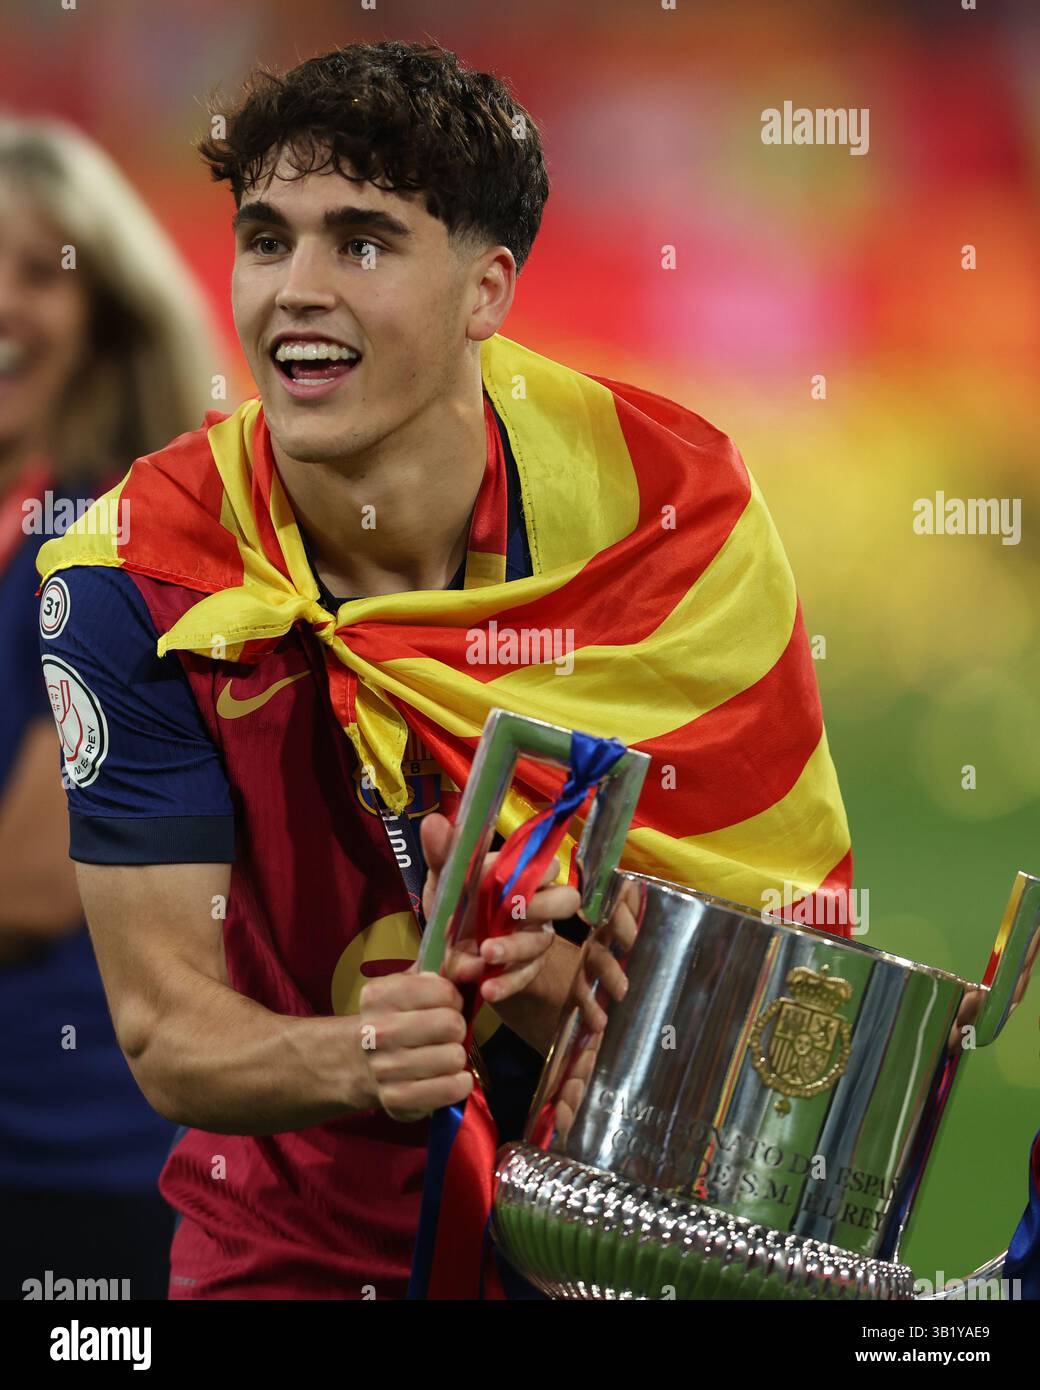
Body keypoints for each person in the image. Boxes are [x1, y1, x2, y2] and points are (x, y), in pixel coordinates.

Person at [35, 41, 854, 1300]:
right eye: (266, 239)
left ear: (486, 289)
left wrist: (593, 1001)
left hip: (626, 1250)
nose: (293, 291)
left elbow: (775, 1009)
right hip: (294, 1258)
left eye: (359, 244)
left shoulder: (667, 514)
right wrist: (354, 1055)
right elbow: (164, 1031)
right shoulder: (142, 579)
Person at [0, 115, 225, 1299]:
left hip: (74, 1169)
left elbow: (27, 888)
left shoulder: (109, 548)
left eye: (41, 271)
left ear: (106, 314)